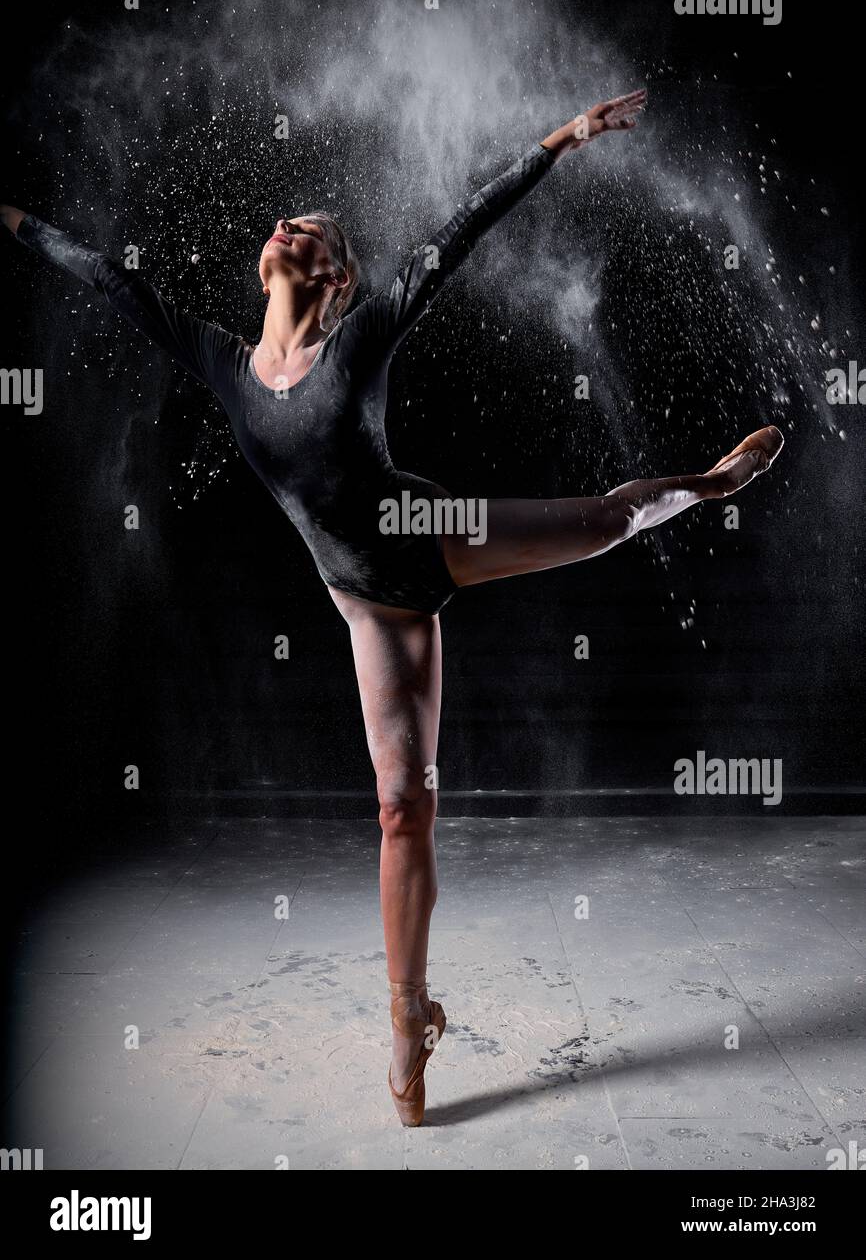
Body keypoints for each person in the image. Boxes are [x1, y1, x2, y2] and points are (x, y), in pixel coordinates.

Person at [1, 88, 783, 1125]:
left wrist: (561, 138)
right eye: (289, 222)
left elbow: (456, 235)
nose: (293, 224)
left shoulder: (360, 336)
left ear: (331, 275)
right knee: (401, 808)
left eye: (316, 231)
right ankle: (410, 1022)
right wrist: (12, 219)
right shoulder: (220, 362)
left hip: (434, 532)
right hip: (368, 605)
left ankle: (707, 485)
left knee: (596, 523)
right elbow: (108, 280)